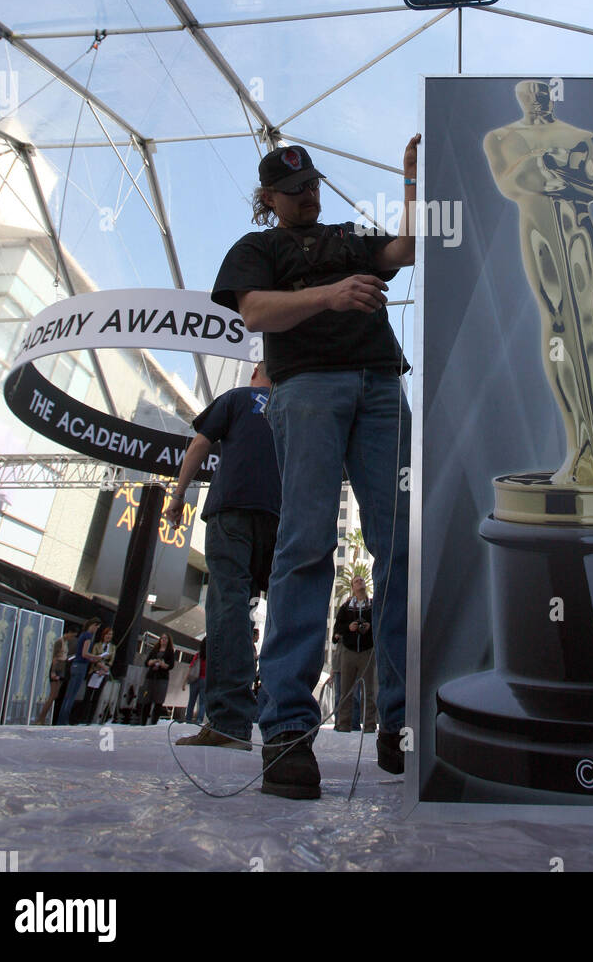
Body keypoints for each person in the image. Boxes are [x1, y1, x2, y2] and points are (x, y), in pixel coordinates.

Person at [210, 137, 418, 798]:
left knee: (402, 547)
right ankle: (289, 732)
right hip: (305, 390)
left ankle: (402, 721)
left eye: (311, 185)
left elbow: (408, 250)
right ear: (268, 198)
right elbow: (251, 310)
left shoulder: (350, 235)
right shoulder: (258, 249)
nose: (307, 195)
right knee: (304, 546)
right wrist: (330, 296)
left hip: (380, 385)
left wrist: (409, 181)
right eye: (292, 189)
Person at [167, 364, 281, 751]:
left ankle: (229, 724)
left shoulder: (234, 399)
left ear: (254, 373)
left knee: (228, 608)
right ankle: (282, 724)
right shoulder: (288, 405)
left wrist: (178, 495)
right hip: (280, 518)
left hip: (231, 511)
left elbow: (199, 444)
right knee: (281, 612)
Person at [333, 575, 377, 732]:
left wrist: (368, 627)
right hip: (349, 652)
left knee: (369, 690)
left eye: (362, 580)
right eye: (357, 581)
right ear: (352, 587)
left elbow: (378, 623)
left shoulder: (372, 605)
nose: (360, 583)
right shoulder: (346, 607)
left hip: (367, 651)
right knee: (346, 690)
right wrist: (349, 628)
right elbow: (337, 628)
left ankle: (370, 725)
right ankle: (344, 724)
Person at [58, 617, 102, 725]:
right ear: (93, 625)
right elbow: (84, 653)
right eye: (97, 627)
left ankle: (61, 719)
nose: (97, 629)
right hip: (81, 665)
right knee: (72, 694)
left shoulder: (82, 635)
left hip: (75, 665)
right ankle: (64, 720)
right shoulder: (88, 636)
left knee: (68, 694)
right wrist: (95, 657)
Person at [36, 626, 76, 726]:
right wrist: (53, 672)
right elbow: (55, 657)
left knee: (55, 695)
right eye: (72, 635)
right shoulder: (59, 642)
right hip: (57, 668)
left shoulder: (66, 643)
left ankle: (42, 718)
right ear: (69, 632)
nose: (72, 638)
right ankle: (40, 719)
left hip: (62, 667)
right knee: (52, 695)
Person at [81, 626, 116, 724]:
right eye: (108, 634)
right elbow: (93, 657)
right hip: (94, 671)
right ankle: (83, 717)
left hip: (104, 673)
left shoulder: (112, 648)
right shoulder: (97, 645)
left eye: (111, 635)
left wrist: (105, 668)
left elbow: (111, 660)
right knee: (88, 694)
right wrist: (99, 665)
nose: (109, 636)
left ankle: (91, 718)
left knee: (97, 696)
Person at [141, 634, 175, 725]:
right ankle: (143, 721)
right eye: (162, 638)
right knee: (147, 699)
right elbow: (147, 662)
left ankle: (153, 722)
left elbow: (171, 665)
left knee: (158, 701)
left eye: (165, 638)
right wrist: (153, 661)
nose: (163, 640)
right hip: (151, 676)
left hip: (162, 678)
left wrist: (163, 664)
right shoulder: (154, 650)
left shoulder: (170, 652)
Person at [185, 637, 207, 725]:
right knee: (202, 702)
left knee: (191, 701)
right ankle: (199, 719)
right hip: (205, 680)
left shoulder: (198, 655)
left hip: (195, 679)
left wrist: (185, 680)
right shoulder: (211, 656)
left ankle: (188, 719)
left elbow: (191, 667)